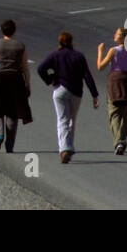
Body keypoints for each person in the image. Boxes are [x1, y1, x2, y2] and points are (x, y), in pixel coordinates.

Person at [36, 31, 99, 164]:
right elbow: (87, 76)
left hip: (60, 89)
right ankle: (69, 147)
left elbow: (40, 68)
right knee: (71, 120)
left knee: (62, 120)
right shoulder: (79, 56)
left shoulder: (56, 55)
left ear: (60, 42)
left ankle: (64, 149)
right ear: (71, 42)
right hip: (76, 92)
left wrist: (50, 79)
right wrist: (94, 94)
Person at [0, 19, 32, 153]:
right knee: (13, 112)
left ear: (2, 31)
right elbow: (25, 67)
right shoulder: (20, 46)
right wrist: (28, 84)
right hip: (15, 79)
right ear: (14, 31)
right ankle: (9, 145)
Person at [96, 27, 127, 155]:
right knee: (123, 113)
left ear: (122, 37)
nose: (114, 36)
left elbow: (100, 67)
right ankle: (123, 134)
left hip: (114, 82)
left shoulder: (113, 51)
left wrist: (100, 51)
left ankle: (120, 141)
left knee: (114, 113)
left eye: (117, 34)